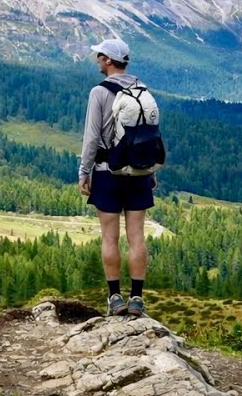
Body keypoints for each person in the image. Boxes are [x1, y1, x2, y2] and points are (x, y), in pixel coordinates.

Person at [78, 37, 157, 317]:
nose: (97, 60)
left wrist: (84, 171)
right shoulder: (141, 89)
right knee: (137, 237)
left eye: (100, 56)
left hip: (107, 173)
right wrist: (149, 170)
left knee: (109, 238)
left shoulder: (99, 92)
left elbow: (91, 137)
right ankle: (137, 299)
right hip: (139, 174)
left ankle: (115, 298)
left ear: (109, 61)